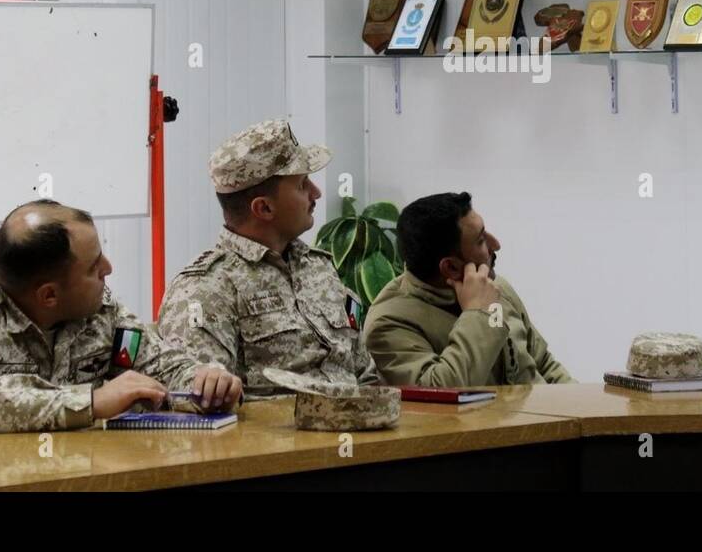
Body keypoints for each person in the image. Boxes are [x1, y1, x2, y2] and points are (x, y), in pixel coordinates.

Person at [0, 200, 241, 437]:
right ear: (49, 295)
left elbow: (161, 365)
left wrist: (206, 382)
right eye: (94, 267)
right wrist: (91, 402)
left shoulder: (99, 312)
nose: (109, 268)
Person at [158, 118, 378, 396]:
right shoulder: (205, 289)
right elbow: (202, 401)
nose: (316, 193)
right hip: (280, 436)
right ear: (263, 208)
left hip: (357, 429)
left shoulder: (319, 268)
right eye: (302, 185)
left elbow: (365, 375)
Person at [362, 192, 573, 386]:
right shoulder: (389, 323)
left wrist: (587, 414)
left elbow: (544, 364)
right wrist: (479, 313)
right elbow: (440, 392)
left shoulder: (496, 287)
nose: (495, 244)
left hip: (542, 423)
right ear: (451, 267)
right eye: (481, 240)